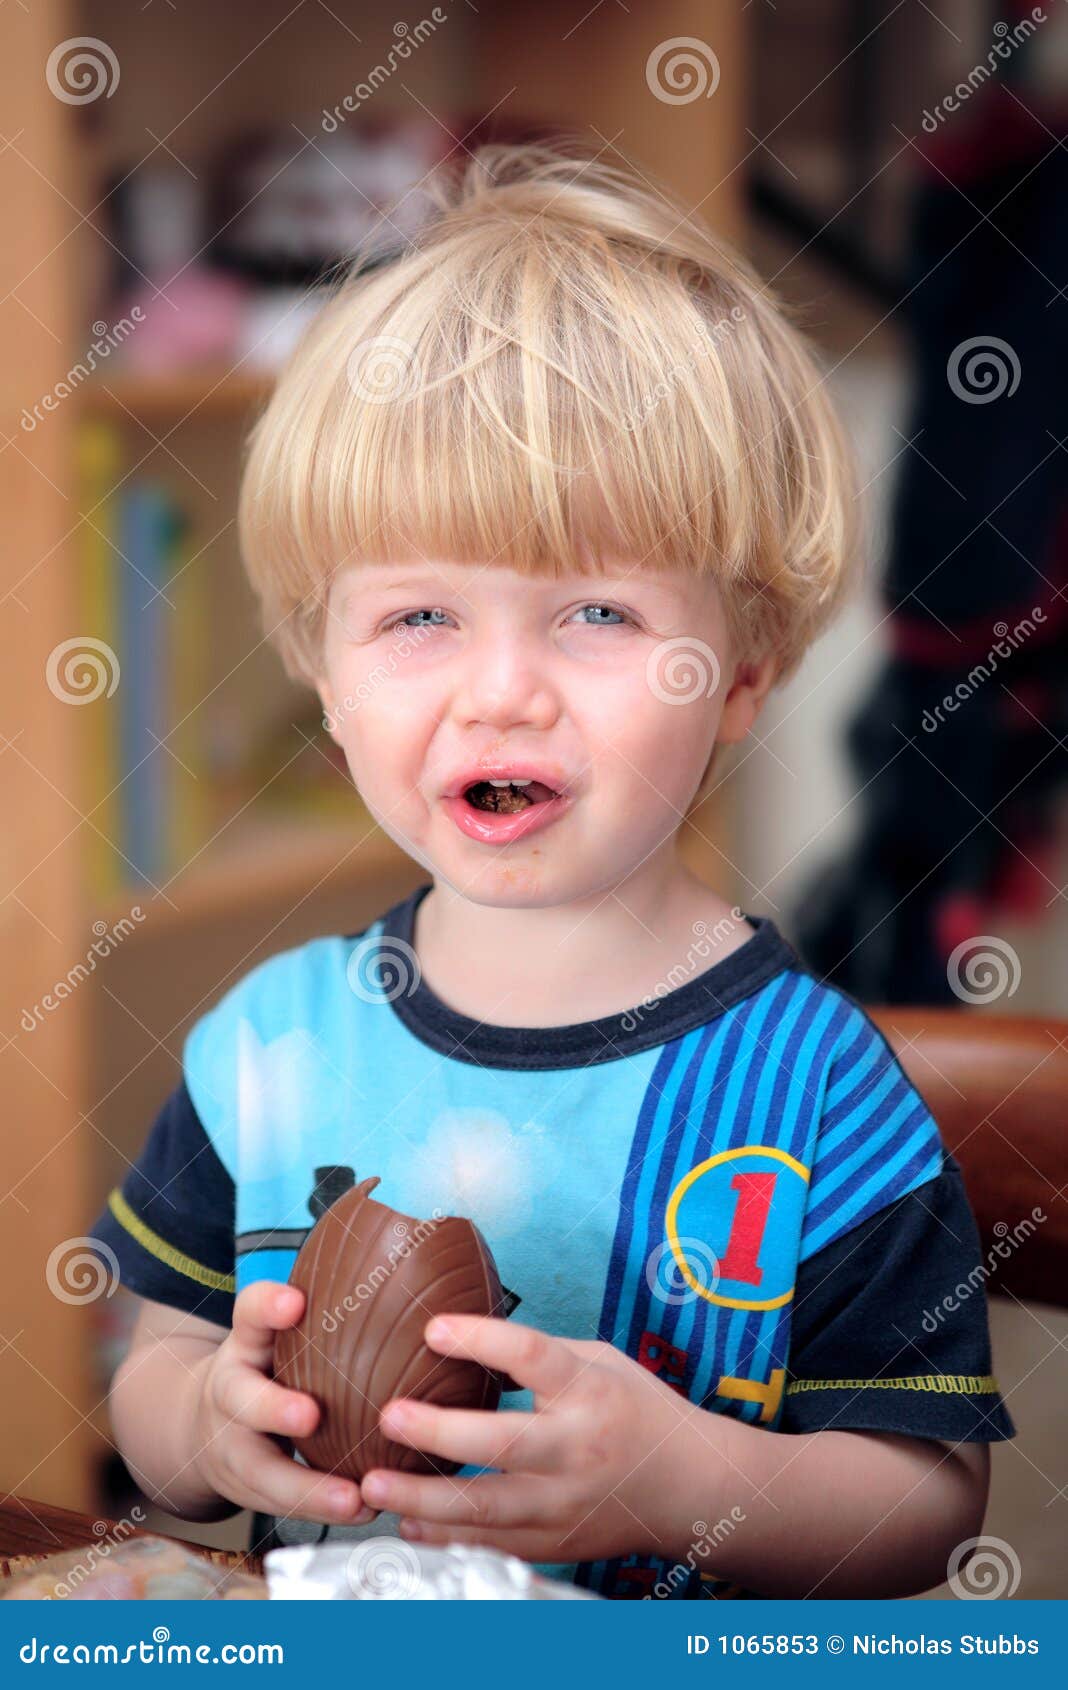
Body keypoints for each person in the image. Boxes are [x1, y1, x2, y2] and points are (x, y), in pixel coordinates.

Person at [90, 142, 1014, 1601]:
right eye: (418, 617)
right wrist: (206, 1421)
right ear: (319, 673)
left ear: (742, 673)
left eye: (593, 608)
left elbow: (929, 1503)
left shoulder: (815, 1085)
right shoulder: (266, 1045)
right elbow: (152, 1380)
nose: (501, 692)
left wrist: (691, 1478)